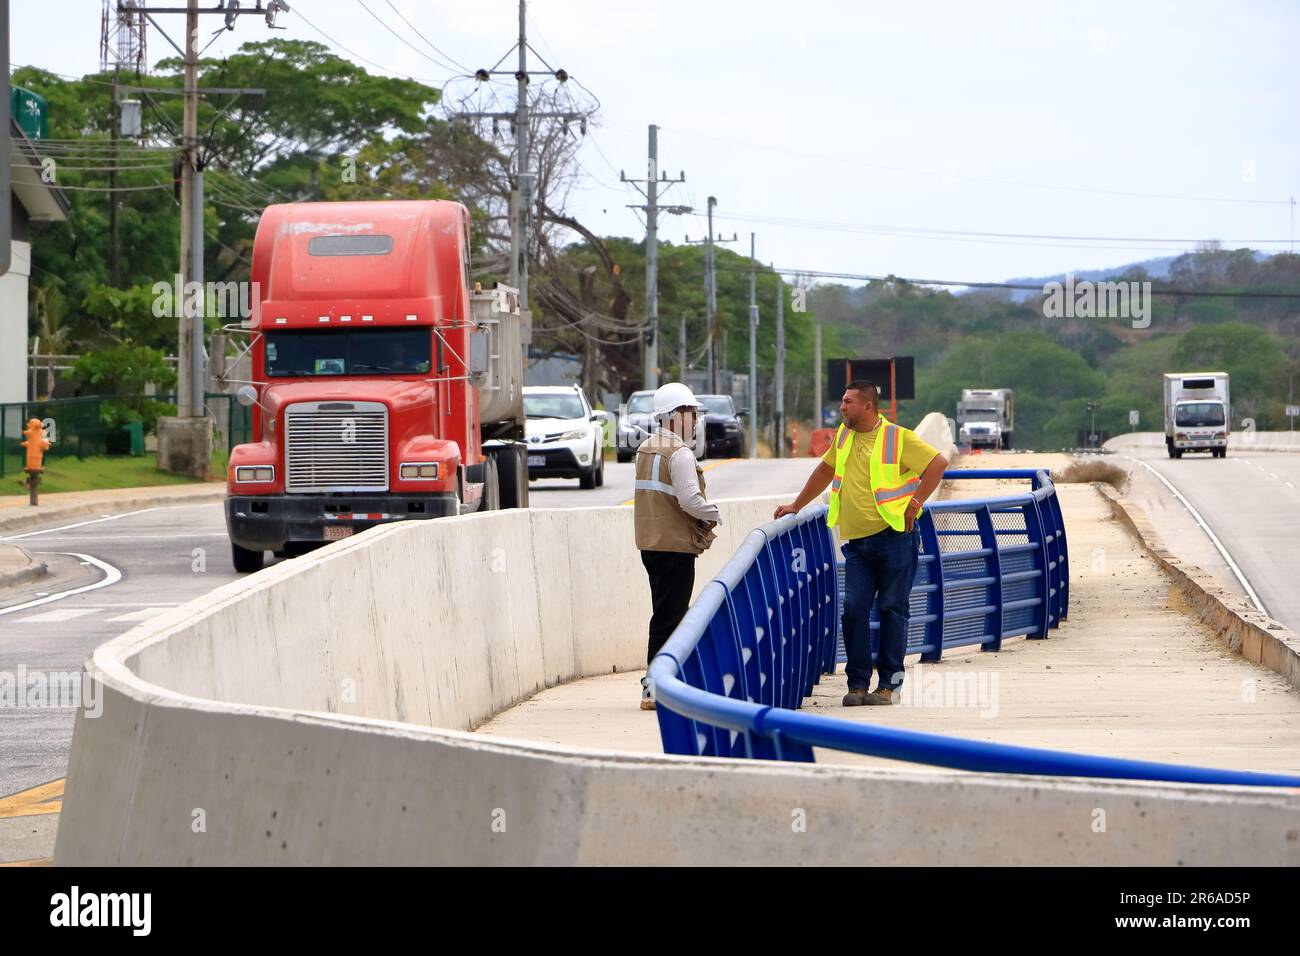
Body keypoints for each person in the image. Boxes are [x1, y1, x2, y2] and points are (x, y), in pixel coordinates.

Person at [774, 381, 947, 706]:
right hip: (857, 544)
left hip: (895, 537)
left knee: (893, 609)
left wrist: (915, 503)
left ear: (867, 406)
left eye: (848, 401)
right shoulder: (843, 435)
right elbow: (825, 470)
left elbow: (937, 464)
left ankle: (888, 686)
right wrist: (797, 505)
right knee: (854, 610)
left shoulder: (897, 437)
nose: (842, 407)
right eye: (842, 401)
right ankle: (857, 685)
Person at [633, 382, 720, 710]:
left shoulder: (645, 449)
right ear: (673, 416)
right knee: (671, 618)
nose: (695, 419)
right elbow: (690, 500)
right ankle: (656, 688)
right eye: (690, 412)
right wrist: (715, 515)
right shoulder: (680, 453)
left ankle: (662, 684)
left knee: (664, 615)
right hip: (675, 546)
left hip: (650, 544)